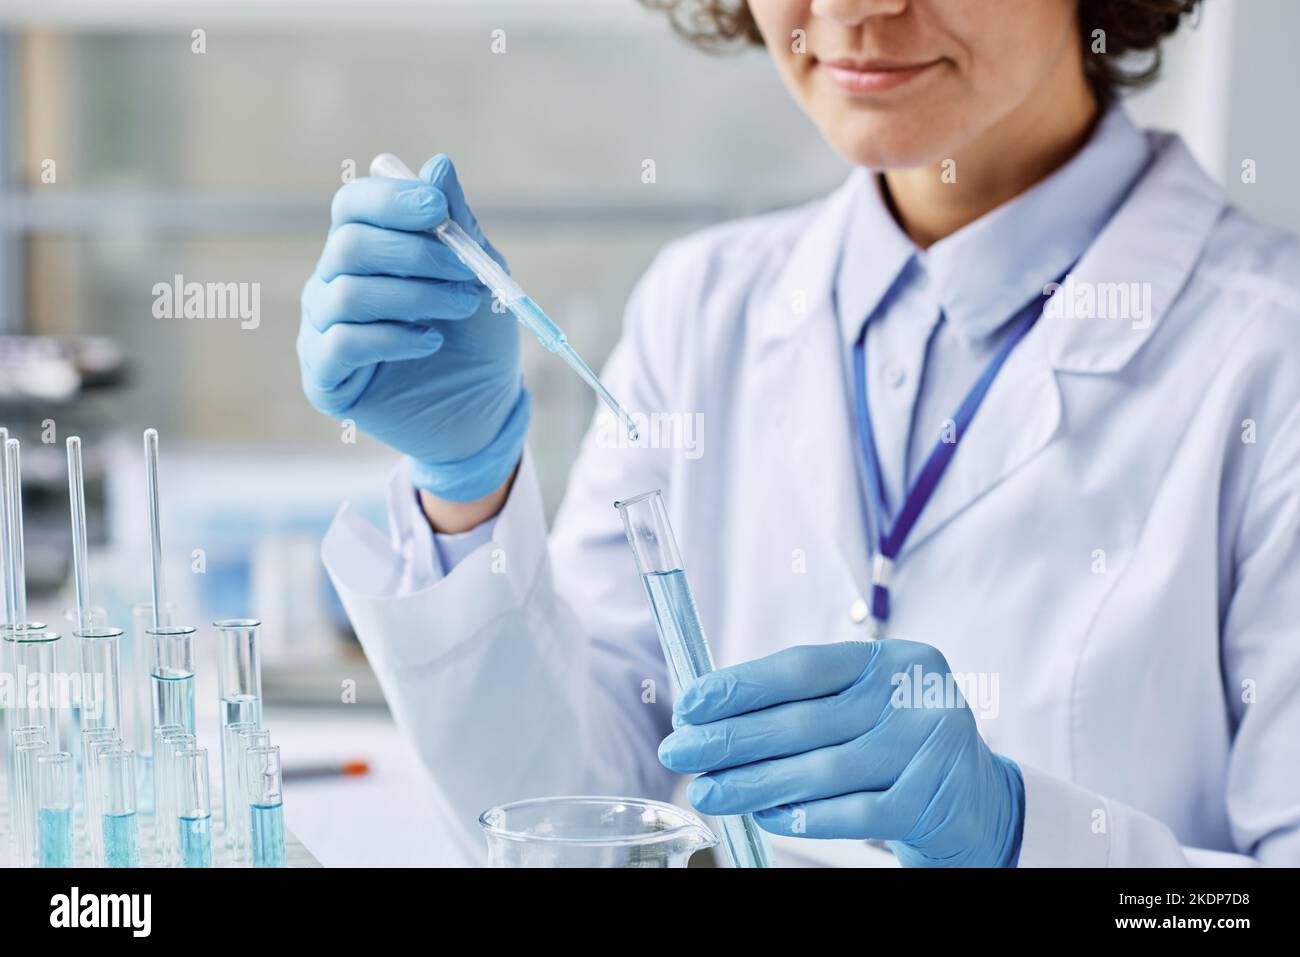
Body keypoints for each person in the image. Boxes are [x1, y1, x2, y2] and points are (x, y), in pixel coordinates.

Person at [298, 0, 1300, 866]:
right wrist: (464, 486)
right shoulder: (703, 305)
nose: (852, 12)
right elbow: (578, 821)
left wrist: (1018, 838)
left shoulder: (1270, 355)